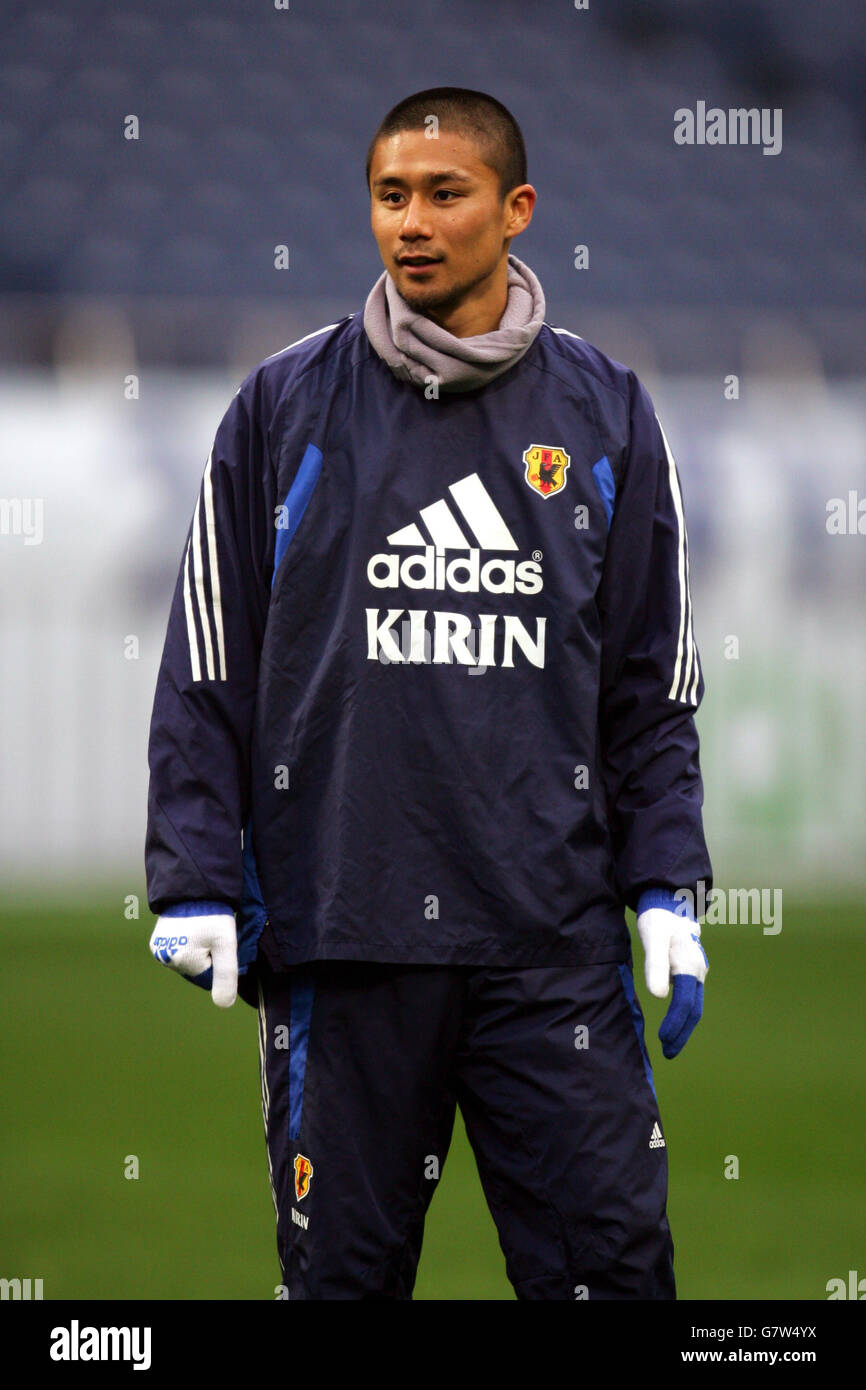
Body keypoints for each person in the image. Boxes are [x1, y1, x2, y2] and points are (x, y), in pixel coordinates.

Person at [145, 87, 712, 1301]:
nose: (410, 222)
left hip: (548, 948)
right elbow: (207, 659)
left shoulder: (607, 412)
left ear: (514, 211)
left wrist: (666, 881)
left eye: (443, 194)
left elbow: (649, 684)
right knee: (341, 1285)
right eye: (389, 196)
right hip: (343, 940)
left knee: (614, 1275)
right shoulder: (280, 405)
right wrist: (193, 872)